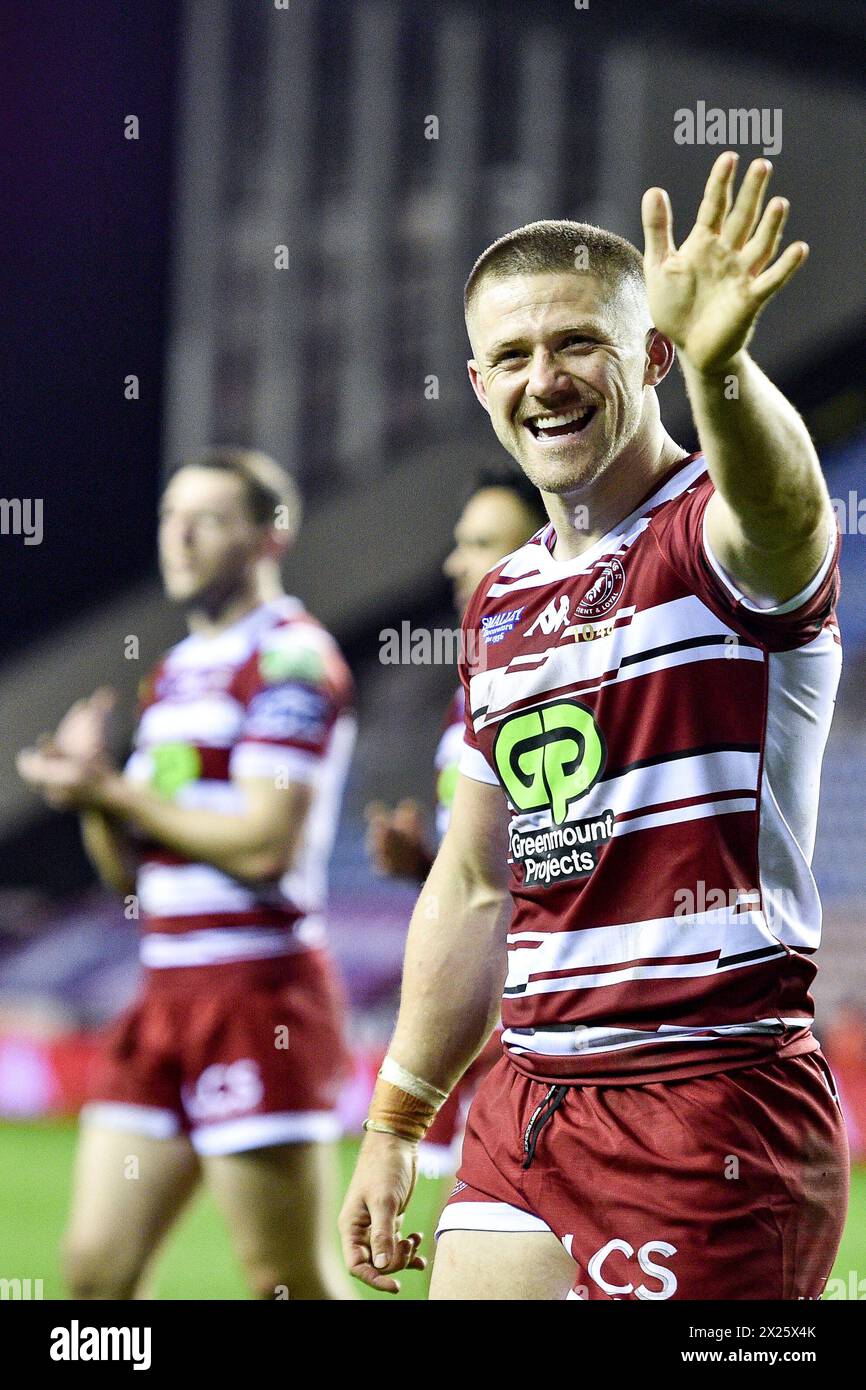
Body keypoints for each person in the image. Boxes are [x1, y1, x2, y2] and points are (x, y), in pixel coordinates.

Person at [339, 154, 849, 1300]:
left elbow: (784, 507)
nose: (544, 379)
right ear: (479, 384)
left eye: (578, 343)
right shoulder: (501, 600)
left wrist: (727, 370)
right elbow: (471, 883)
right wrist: (394, 1118)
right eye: (512, 356)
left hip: (709, 1106)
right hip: (528, 1102)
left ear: (652, 356)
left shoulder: (714, 540)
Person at [18, 448, 357, 1300]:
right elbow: (129, 870)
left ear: (270, 536)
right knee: (94, 1274)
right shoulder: (169, 676)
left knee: (285, 1281)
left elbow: (262, 845)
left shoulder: (290, 660)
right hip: (164, 992)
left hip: (255, 996)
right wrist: (97, 800)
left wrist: (115, 789)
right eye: (171, 517)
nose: (178, 537)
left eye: (206, 519)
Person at [365, 469, 546, 1176]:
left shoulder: (566, 674)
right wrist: (426, 863)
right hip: (478, 1000)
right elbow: (494, 860)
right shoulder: (475, 685)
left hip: (538, 1011)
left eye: (479, 543)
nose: (455, 562)